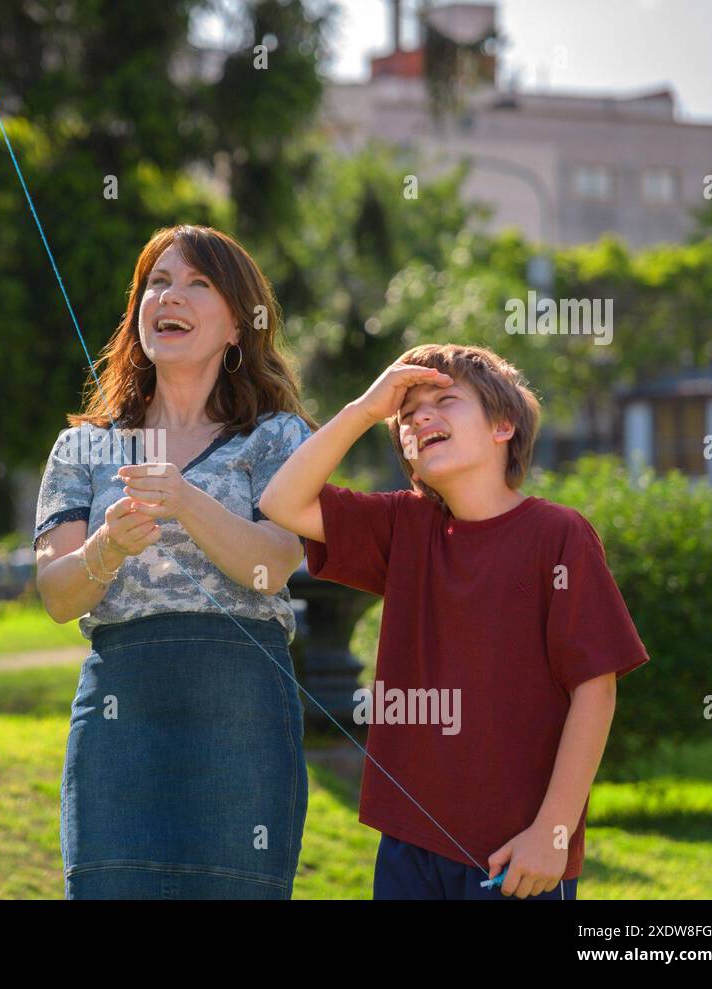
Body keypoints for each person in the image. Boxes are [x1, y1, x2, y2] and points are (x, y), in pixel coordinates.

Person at [259, 343, 649, 899]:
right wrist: (366, 409)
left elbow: (595, 689)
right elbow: (282, 500)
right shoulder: (403, 527)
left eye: (445, 400)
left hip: (517, 852)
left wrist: (553, 833)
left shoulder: (558, 535)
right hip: (408, 846)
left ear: (503, 425)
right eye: (407, 413)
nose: (420, 417)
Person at [34, 224, 318, 899]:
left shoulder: (280, 436)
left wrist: (185, 500)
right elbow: (56, 593)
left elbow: (272, 566)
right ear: (138, 313)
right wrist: (106, 548)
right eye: (158, 282)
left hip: (241, 702)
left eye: (198, 283)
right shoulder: (83, 449)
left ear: (238, 325)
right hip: (118, 706)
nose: (172, 295)